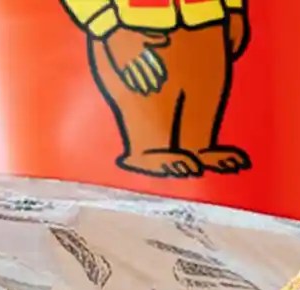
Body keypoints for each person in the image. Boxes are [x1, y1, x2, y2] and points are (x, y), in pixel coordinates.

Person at [61, 0, 252, 178]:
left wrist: (234, 9)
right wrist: (108, 25)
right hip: (134, 27)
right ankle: (146, 149)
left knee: (206, 82)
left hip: (206, 18)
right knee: (145, 82)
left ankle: (198, 145)